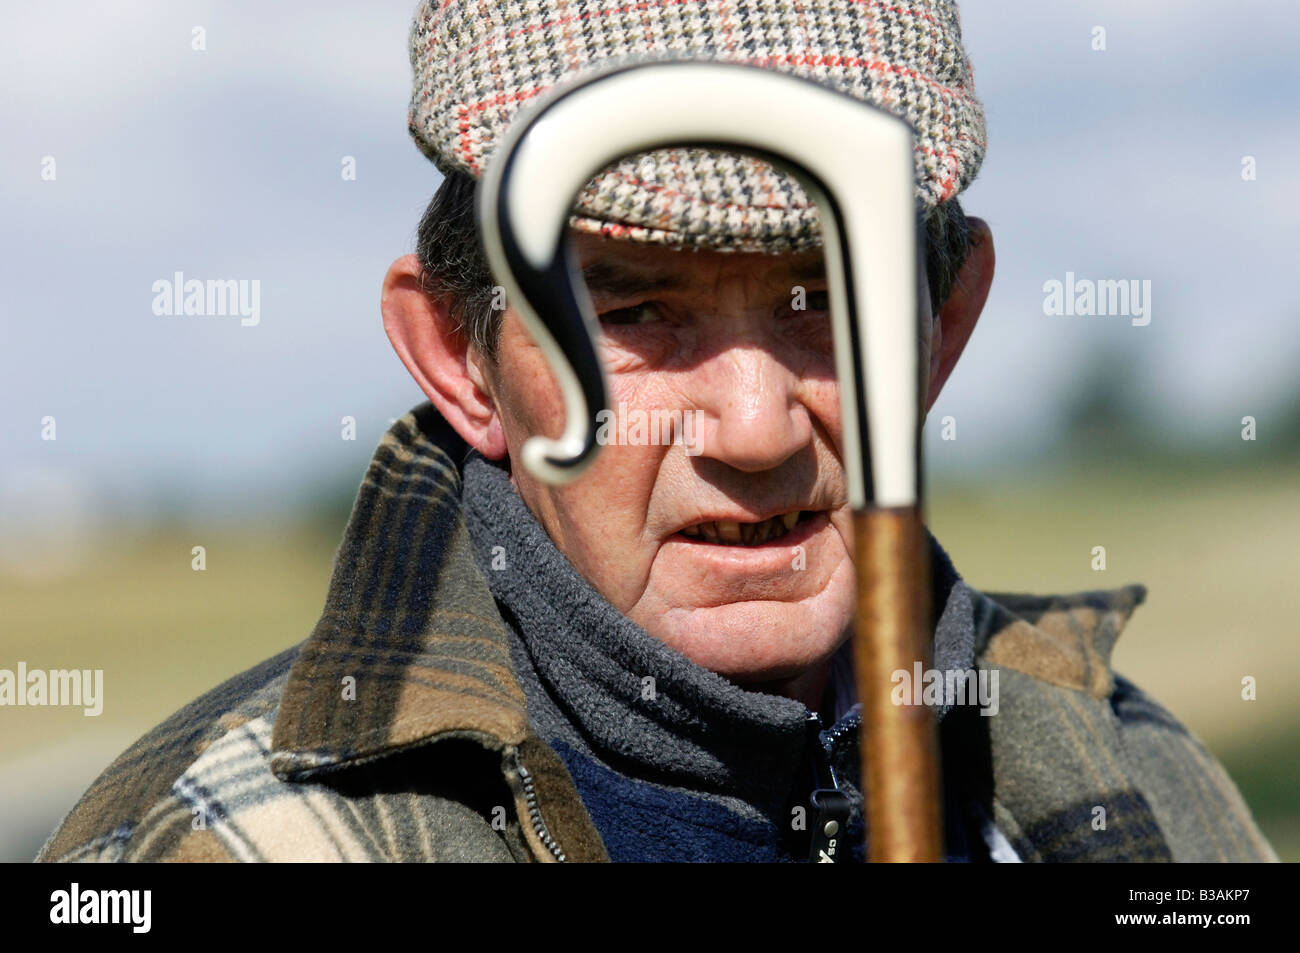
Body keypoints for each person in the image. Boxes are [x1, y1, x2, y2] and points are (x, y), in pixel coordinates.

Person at [37, 0, 1275, 863]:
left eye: (822, 304)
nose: (751, 425)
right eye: (638, 312)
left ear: (943, 326)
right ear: (461, 363)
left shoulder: (1129, 773)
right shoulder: (206, 844)